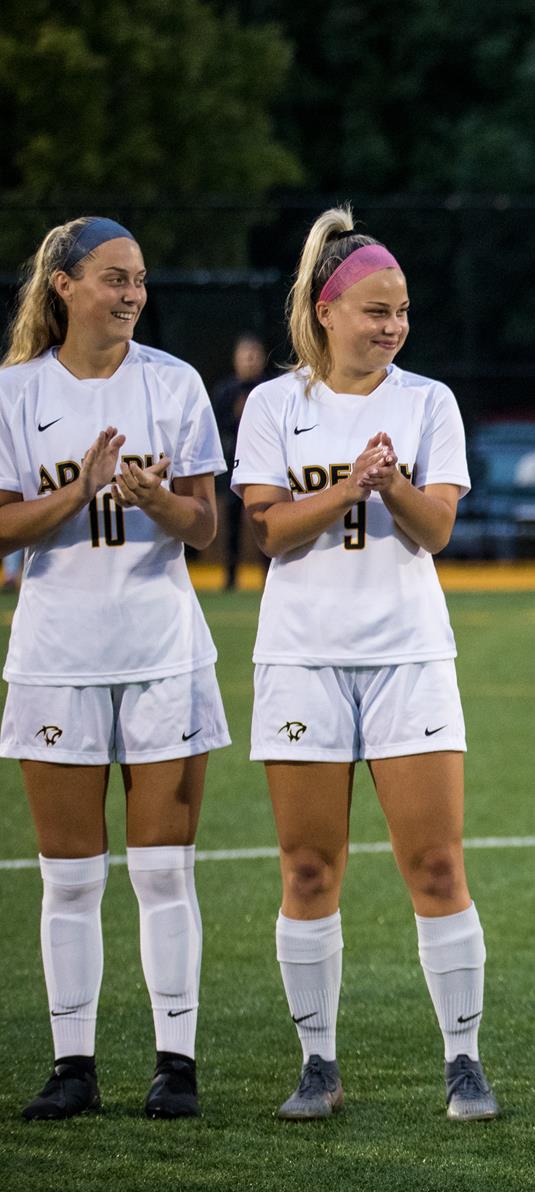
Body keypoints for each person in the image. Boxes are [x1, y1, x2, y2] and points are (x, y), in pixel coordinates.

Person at [234, 206, 496, 1122]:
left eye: (403, 311)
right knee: (309, 868)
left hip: (408, 657)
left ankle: (464, 1060)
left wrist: (393, 487)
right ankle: (317, 1063)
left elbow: (438, 532)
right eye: (375, 309)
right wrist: (348, 486)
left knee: (434, 864)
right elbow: (265, 531)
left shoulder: (428, 402)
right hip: (303, 658)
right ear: (326, 309)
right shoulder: (276, 405)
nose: (391, 326)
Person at [0, 216, 228, 1120]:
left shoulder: (171, 384)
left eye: (139, 280)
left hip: (163, 654)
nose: (132, 295)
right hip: (58, 656)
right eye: (113, 278)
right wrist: (81, 489)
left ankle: (176, 1063)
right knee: (71, 875)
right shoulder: (16, 391)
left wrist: (155, 498)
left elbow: (207, 528)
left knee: (165, 869)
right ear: (64, 284)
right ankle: (73, 1066)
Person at [209, 332, 279, 590]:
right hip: (232, 466)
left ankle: (268, 576)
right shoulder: (225, 391)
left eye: (254, 356)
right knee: (231, 525)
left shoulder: (271, 391)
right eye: (245, 356)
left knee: (266, 520)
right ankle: (230, 578)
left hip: (266, 467)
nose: (249, 361)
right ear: (236, 359)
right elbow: (216, 427)